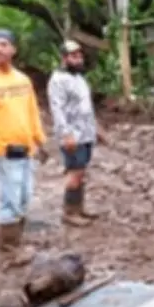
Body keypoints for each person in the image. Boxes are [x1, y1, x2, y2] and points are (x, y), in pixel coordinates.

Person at [0, 29, 47, 250]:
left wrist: (40, 140)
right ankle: (9, 247)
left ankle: (17, 239)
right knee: (9, 197)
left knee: (25, 195)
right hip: (0, 150)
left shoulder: (22, 80)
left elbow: (32, 112)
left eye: (4, 44)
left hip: (25, 148)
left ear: (13, 49)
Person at [47, 40, 108, 226]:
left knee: (81, 172)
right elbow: (57, 110)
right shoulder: (58, 80)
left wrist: (96, 128)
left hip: (85, 133)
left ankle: (78, 208)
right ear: (64, 58)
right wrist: (66, 134)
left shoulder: (79, 78)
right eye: (73, 56)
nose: (78, 59)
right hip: (72, 134)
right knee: (75, 173)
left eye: (80, 56)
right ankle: (69, 212)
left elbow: (86, 108)